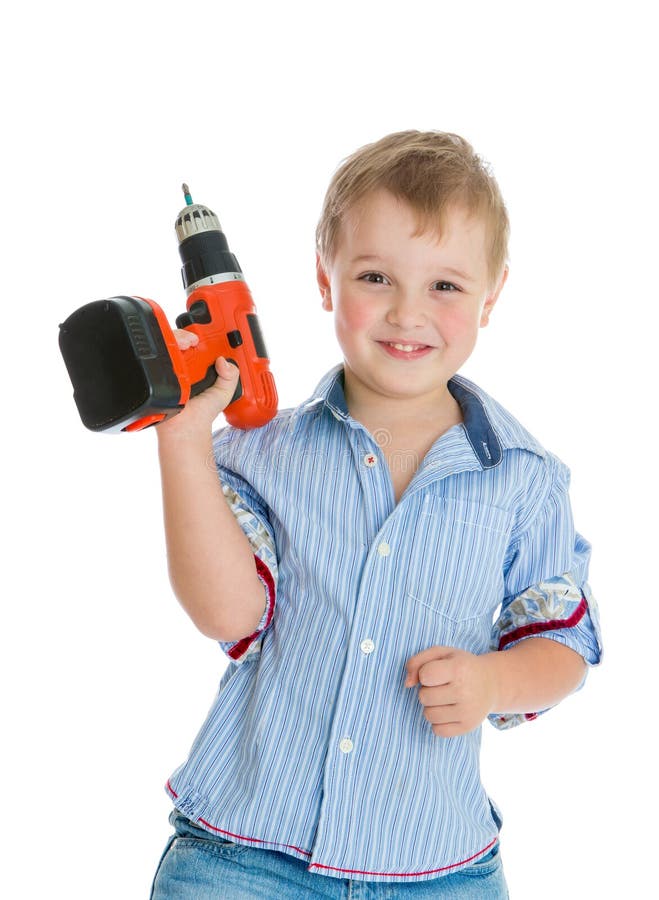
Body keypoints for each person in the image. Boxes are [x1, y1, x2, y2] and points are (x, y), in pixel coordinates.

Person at [149, 130, 602, 899]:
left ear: (492, 296)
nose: (406, 312)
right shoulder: (257, 454)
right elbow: (227, 613)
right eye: (374, 276)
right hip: (244, 857)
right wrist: (185, 441)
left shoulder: (524, 481)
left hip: (435, 870)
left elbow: (563, 645)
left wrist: (493, 682)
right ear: (324, 280)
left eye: (445, 287)